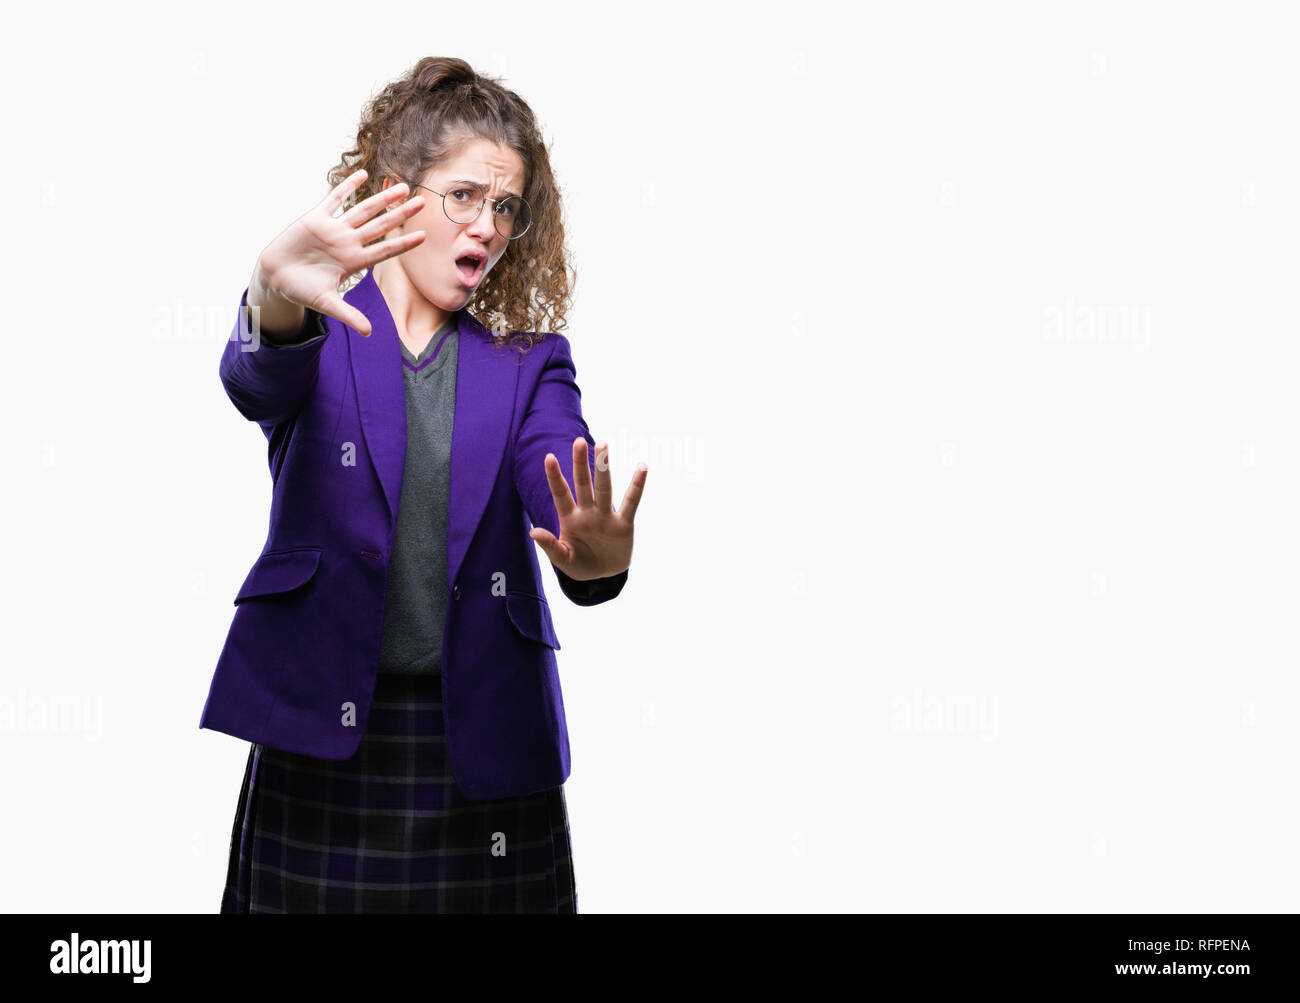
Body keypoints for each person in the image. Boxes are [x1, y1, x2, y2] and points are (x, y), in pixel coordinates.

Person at [201, 56, 646, 914]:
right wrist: (270, 290)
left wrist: (591, 555)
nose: (489, 224)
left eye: (508, 207)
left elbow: (558, 465)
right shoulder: (314, 330)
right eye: (467, 196)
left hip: (482, 750)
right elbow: (254, 381)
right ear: (400, 192)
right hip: (321, 742)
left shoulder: (529, 364)